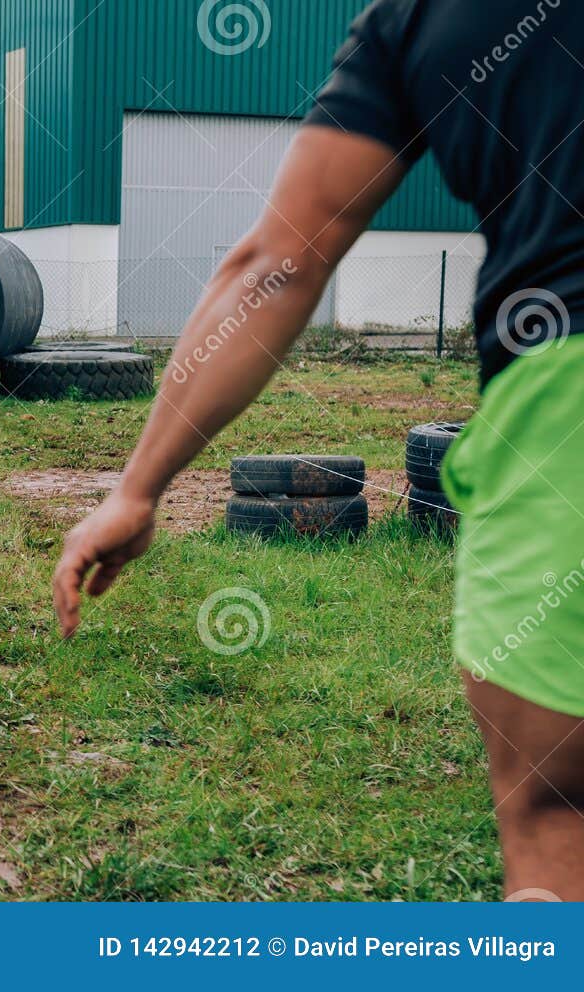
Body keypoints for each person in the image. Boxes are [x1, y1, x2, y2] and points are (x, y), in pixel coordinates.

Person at [55, 0, 584, 900]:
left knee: (555, 822)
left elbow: (282, 260)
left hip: (560, 413)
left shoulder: (417, 20)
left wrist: (137, 489)